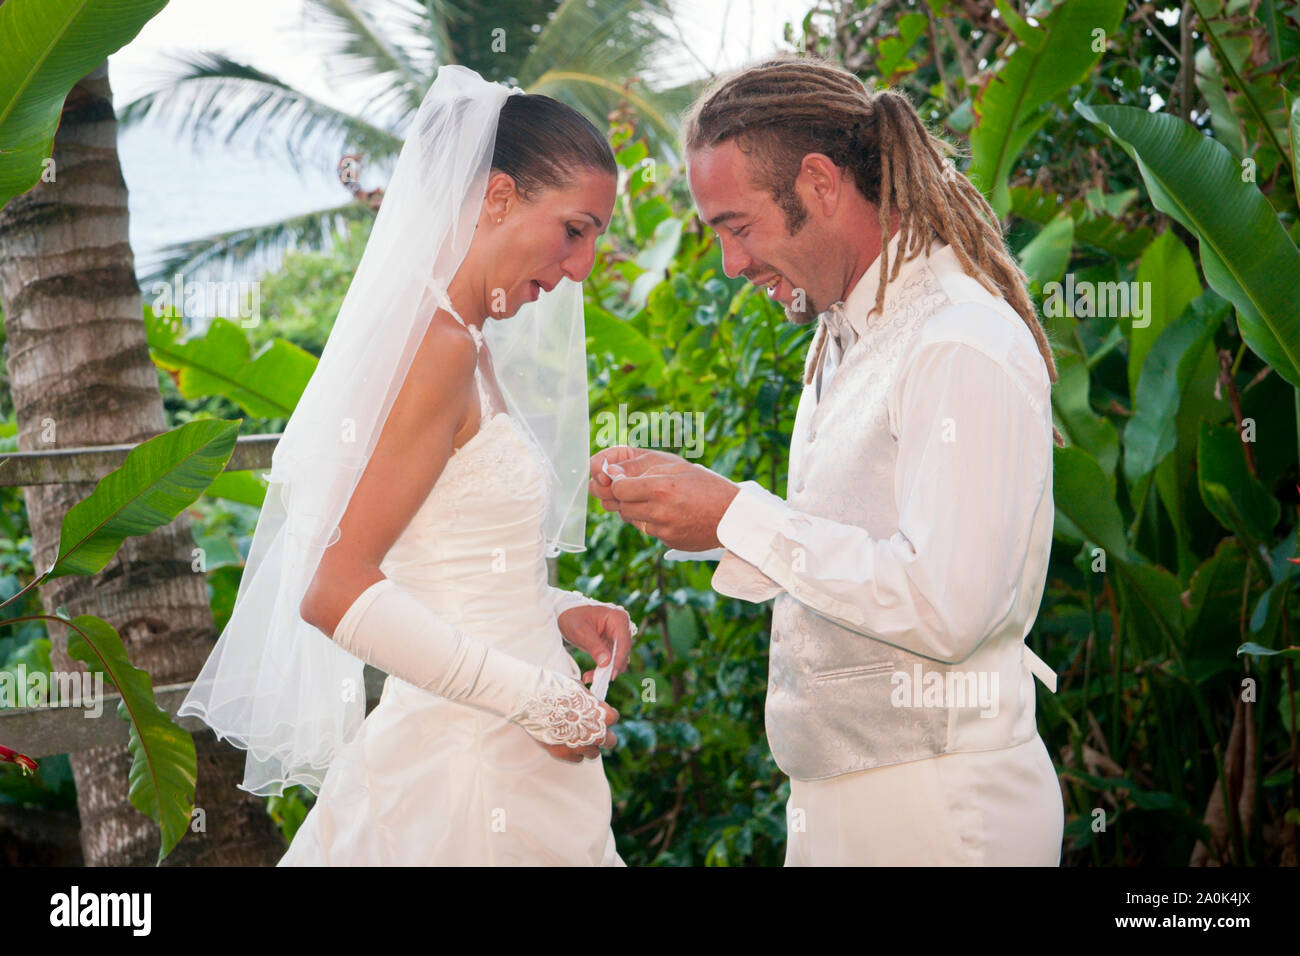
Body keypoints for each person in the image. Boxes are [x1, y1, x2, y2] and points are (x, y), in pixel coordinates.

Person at [591, 54, 1065, 866]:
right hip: (837, 801)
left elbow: (946, 607)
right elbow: (848, 543)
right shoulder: (842, 334)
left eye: (738, 228)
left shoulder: (958, 341)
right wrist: (700, 515)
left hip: (939, 813)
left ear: (817, 183)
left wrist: (737, 511)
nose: (733, 265)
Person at [180, 65, 634, 866]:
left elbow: (434, 555)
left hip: (510, 758)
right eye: (574, 229)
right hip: (468, 772)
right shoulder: (440, 347)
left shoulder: (464, 337)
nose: (582, 268)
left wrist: (549, 606)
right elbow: (336, 587)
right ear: (497, 198)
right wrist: (535, 700)